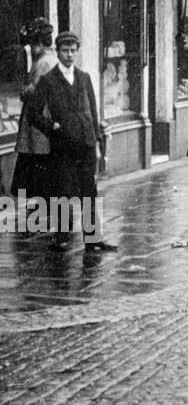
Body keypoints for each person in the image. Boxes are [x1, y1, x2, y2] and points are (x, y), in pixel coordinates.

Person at [28, 32, 114, 253]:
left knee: (89, 191)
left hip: (85, 142)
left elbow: (93, 111)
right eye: (65, 51)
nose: (69, 55)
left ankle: (93, 239)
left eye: (73, 50)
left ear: (77, 52)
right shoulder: (48, 81)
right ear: (57, 52)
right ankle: (61, 238)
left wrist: (95, 141)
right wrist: (52, 127)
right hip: (63, 145)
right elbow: (33, 114)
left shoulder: (84, 77)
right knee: (63, 191)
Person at [11, 19, 57, 226]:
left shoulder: (43, 62)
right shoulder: (50, 59)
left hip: (38, 123)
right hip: (43, 119)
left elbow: (32, 92)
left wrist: (23, 90)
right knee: (41, 166)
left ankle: (40, 210)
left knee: (37, 165)